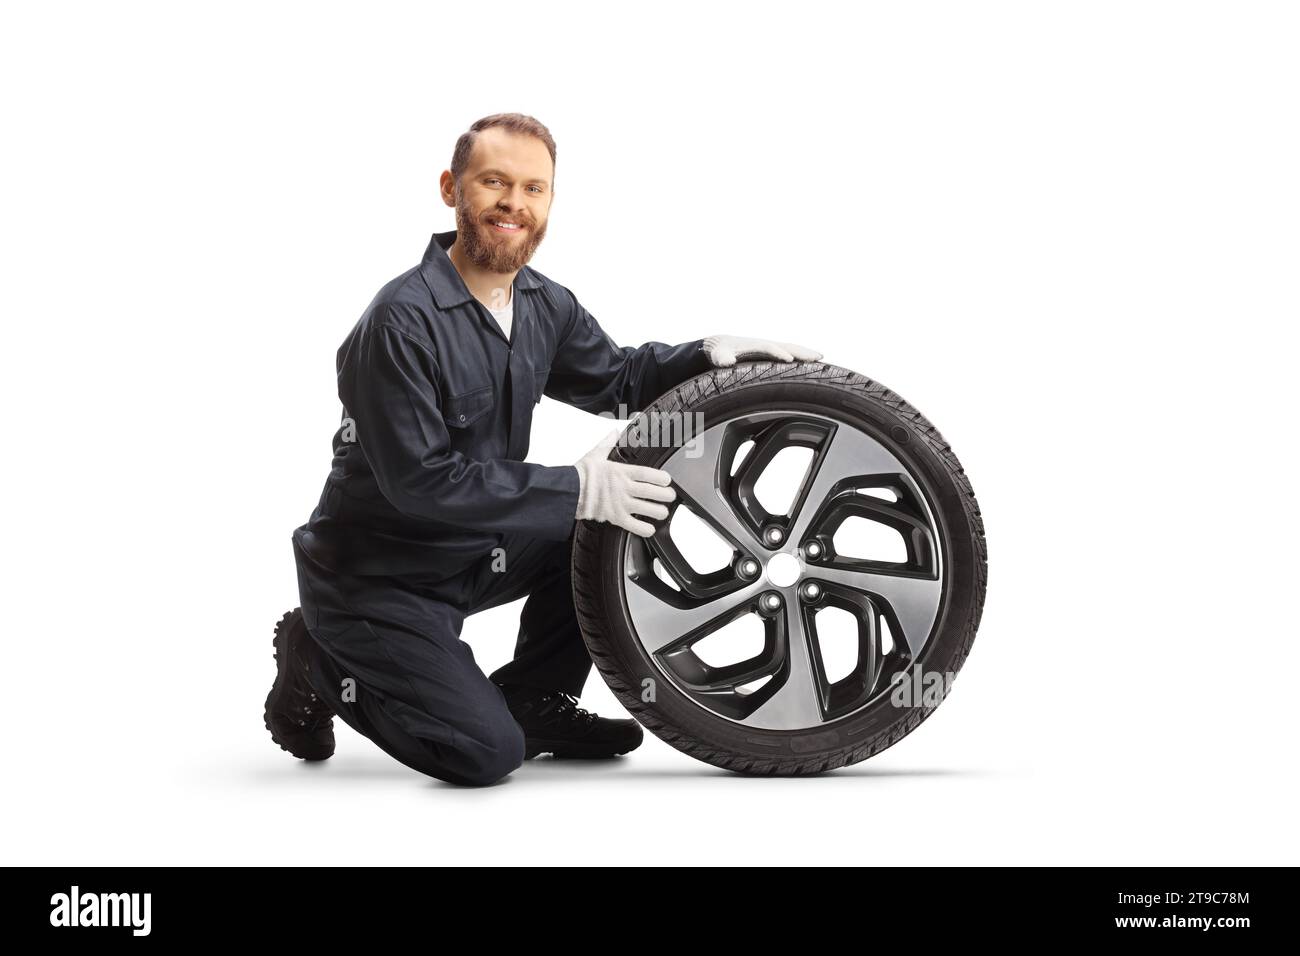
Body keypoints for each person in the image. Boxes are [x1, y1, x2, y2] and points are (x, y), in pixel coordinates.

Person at [264, 113, 821, 787]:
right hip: (375, 580)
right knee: (483, 754)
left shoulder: (540, 305)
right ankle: (317, 657)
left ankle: (537, 696)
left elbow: (618, 379)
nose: (514, 204)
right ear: (451, 189)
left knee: (607, 519)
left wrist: (706, 358)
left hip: (469, 551)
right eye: (493, 182)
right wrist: (574, 488)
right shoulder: (398, 323)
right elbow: (420, 483)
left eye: (534, 189)